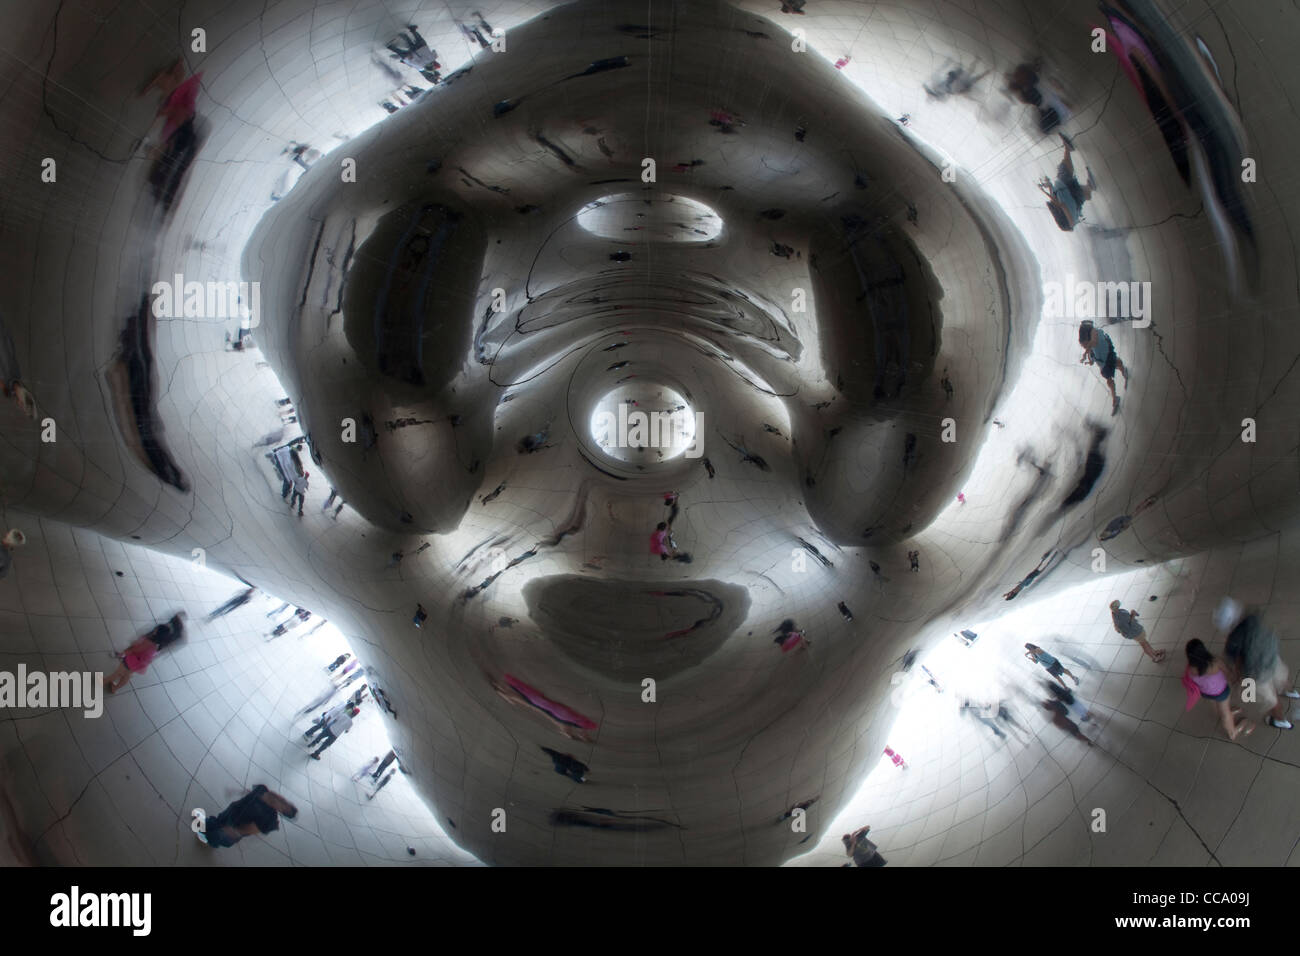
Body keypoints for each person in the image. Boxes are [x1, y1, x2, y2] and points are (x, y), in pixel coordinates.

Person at [1216, 599, 1299, 730]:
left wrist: (1239, 681)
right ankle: (1291, 692)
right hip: (1272, 657)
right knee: (1282, 678)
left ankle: (1280, 720)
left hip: (1258, 672)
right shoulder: (1253, 618)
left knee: (1271, 701)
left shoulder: (1233, 642)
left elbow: (1238, 665)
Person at [1184, 638, 1253, 739]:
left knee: (1216, 704)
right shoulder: (1214, 662)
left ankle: (1223, 713)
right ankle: (1233, 732)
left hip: (1205, 692)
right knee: (1226, 714)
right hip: (1221, 693)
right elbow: (1229, 674)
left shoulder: (1190, 669)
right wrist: (1236, 680)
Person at [104, 613, 186, 693]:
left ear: (156, 632)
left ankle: (102, 681)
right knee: (127, 675)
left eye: (156, 629)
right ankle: (115, 688)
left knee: (117, 673)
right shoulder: (156, 646)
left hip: (131, 660)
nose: (154, 629)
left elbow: (135, 649)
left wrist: (124, 652)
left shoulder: (148, 642)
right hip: (138, 664)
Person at [196, 784, 297, 848]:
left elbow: (254, 829)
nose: (280, 800)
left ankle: (208, 839)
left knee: (218, 835)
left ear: (281, 811)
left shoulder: (270, 819)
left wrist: (236, 831)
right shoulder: (262, 789)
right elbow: (250, 792)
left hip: (234, 827)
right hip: (231, 813)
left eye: (283, 806)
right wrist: (236, 791)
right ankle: (207, 824)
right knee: (218, 821)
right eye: (284, 801)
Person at [1078, 320, 1129, 415]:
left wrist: (1085, 353)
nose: (1084, 347)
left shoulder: (1094, 333)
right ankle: (1115, 398)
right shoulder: (1089, 343)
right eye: (1083, 346)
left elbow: (1093, 342)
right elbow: (1090, 351)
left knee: (1116, 363)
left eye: (1084, 344)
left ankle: (1124, 371)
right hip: (1102, 360)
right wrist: (1090, 360)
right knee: (1109, 379)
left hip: (1106, 352)